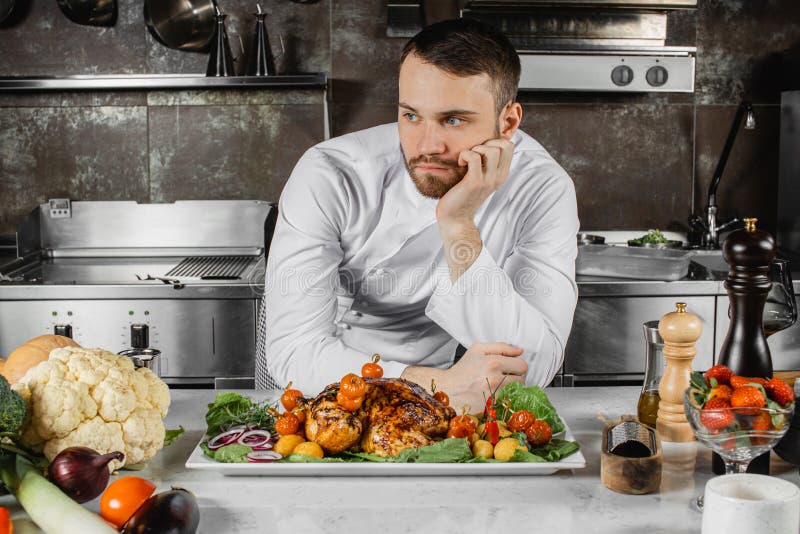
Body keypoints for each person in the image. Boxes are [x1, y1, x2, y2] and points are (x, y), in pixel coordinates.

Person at [257, 18, 579, 411]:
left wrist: (458, 224)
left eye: (453, 120)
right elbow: (294, 354)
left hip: (443, 404)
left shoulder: (542, 188)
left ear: (508, 122)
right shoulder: (330, 173)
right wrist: (436, 384)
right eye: (411, 116)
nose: (426, 146)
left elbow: (534, 366)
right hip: (325, 383)